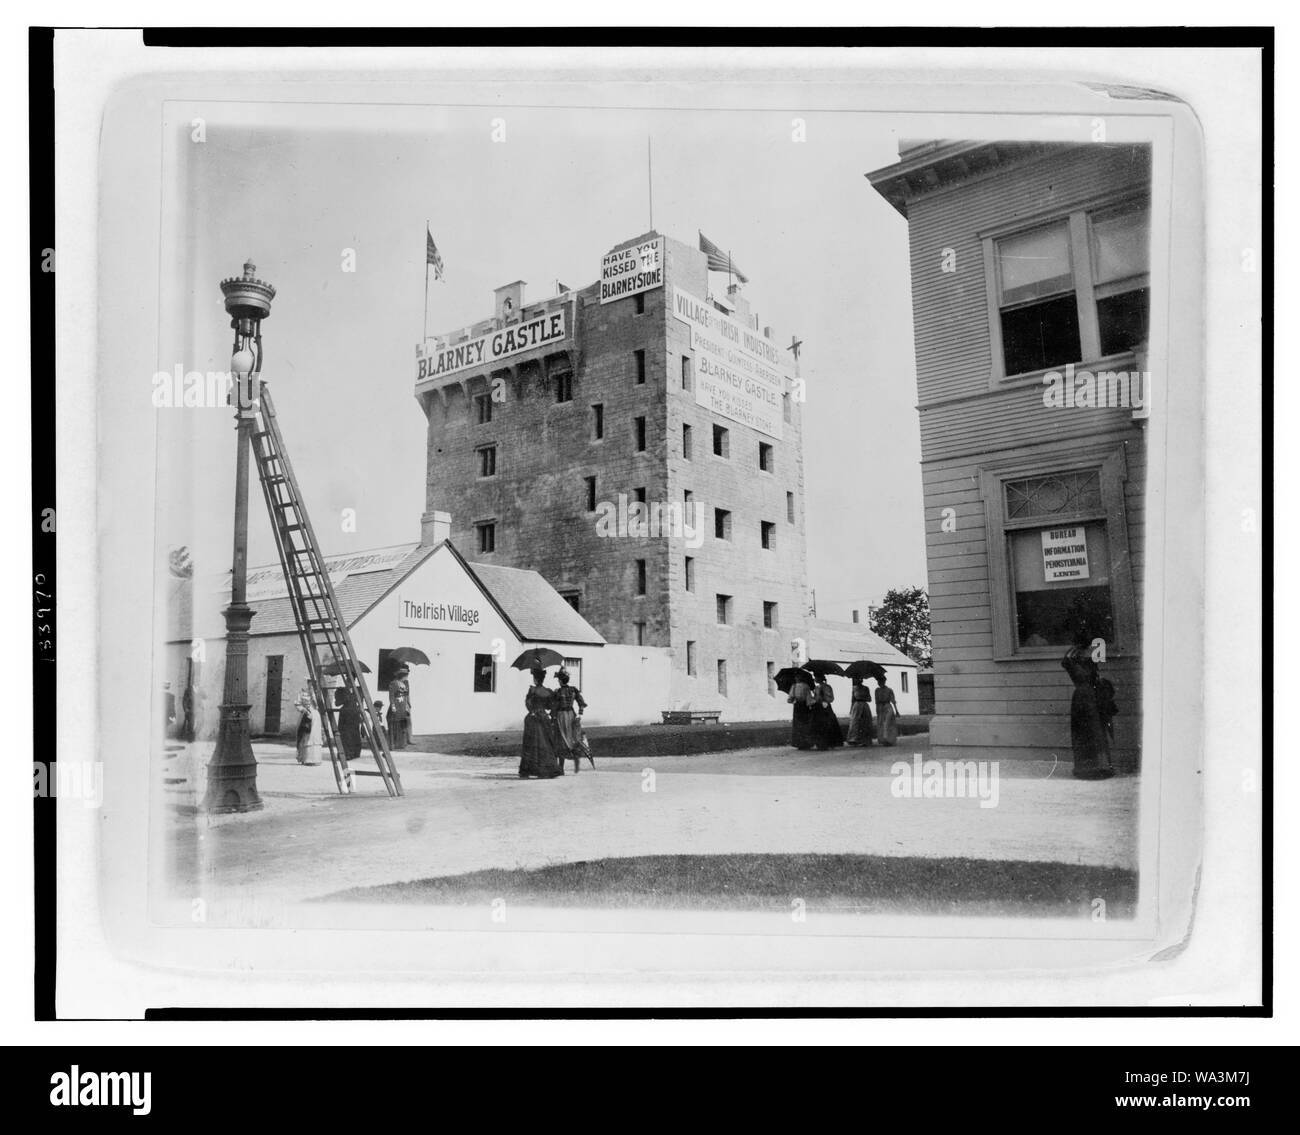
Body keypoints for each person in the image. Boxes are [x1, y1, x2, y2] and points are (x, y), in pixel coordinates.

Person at [1062, 646, 1115, 780]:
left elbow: (1093, 677)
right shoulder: (1071, 658)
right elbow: (1069, 665)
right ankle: (1086, 768)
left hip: (1091, 698)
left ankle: (1100, 767)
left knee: (1096, 731)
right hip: (1083, 700)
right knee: (1086, 733)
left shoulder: (1089, 656)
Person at [519, 668, 561, 779]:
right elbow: (551, 706)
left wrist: (533, 709)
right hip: (543, 717)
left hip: (533, 718)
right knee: (545, 742)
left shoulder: (532, 690)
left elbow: (528, 704)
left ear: (535, 679)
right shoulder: (548, 691)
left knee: (531, 743)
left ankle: (528, 769)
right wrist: (550, 714)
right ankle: (546, 769)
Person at [552, 668, 589, 774]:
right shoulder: (574, 690)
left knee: (561, 740)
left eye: (558, 679)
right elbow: (581, 702)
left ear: (560, 681)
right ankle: (576, 764)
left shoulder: (558, 692)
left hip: (561, 717)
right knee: (573, 738)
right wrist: (579, 714)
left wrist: (553, 717)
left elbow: (554, 706)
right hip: (571, 715)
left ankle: (561, 768)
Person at [810, 675, 845, 750]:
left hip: (825, 707)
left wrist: (823, 699)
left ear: (820, 678)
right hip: (818, 707)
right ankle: (821, 744)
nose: (815, 679)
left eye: (816, 677)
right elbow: (816, 697)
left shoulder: (826, 687)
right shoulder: (817, 687)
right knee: (819, 725)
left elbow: (830, 697)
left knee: (827, 724)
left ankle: (829, 743)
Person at [788, 671, 815, 750]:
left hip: (798, 706)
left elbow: (790, 698)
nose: (797, 678)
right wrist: (810, 704)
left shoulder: (794, 686)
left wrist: (793, 699)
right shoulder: (805, 686)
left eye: (797, 677)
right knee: (804, 724)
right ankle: (805, 743)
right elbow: (808, 698)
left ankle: (800, 743)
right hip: (803, 706)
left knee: (799, 724)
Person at [336, 689, 363, 769]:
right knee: (352, 735)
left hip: (348, 723)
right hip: (351, 719)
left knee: (348, 736)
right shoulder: (351, 704)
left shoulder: (345, 708)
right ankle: (354, 753)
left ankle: (348, 754)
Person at [846, 676, 875, 746]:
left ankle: (865, 740)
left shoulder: (866, 688)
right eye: (857, 679)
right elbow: (852, 699)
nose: (859, 680)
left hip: (864, 705)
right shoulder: (854, 688)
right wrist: (851, 709)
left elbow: (870, 699)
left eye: (860, 679)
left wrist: (864, 697)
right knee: (855, 722)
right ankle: (854, 739)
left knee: (865, 722)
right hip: (856, 706)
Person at [387, 667, 412, 749]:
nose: (406, 677)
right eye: (406, 675)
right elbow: (391, 696)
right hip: (396, 706)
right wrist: (393, 706)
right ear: (402, 675)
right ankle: (393, 744)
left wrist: (407, 707)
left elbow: (405, 696)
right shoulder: (393, 683)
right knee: (394, 725)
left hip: (402, 707)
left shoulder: (404, 684)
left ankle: (401, 743)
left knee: (402, 725)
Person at [293, 684, 317, 765]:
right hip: (305, 715)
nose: (311, 684)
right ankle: (303, 757)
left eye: (313, 682)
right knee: (303, 736)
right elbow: (297, 703)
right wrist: (304, 710)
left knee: (314, 737)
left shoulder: (319, 692)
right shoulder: (303, 693)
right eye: (309, 682)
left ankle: (314, 758)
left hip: (315, 716)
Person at [874, 675, 899, 746]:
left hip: (887, 707)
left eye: (881, 681)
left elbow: (893, 700)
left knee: (887, 723)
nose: (880, 683)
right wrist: (877, 709)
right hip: (880, 708)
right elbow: (876, 701)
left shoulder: (889, 690)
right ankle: (883, 740)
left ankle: (889, 740)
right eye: (878, 681)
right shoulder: (877, 690)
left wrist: (896, 711)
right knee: (881, 723)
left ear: (884, 681)